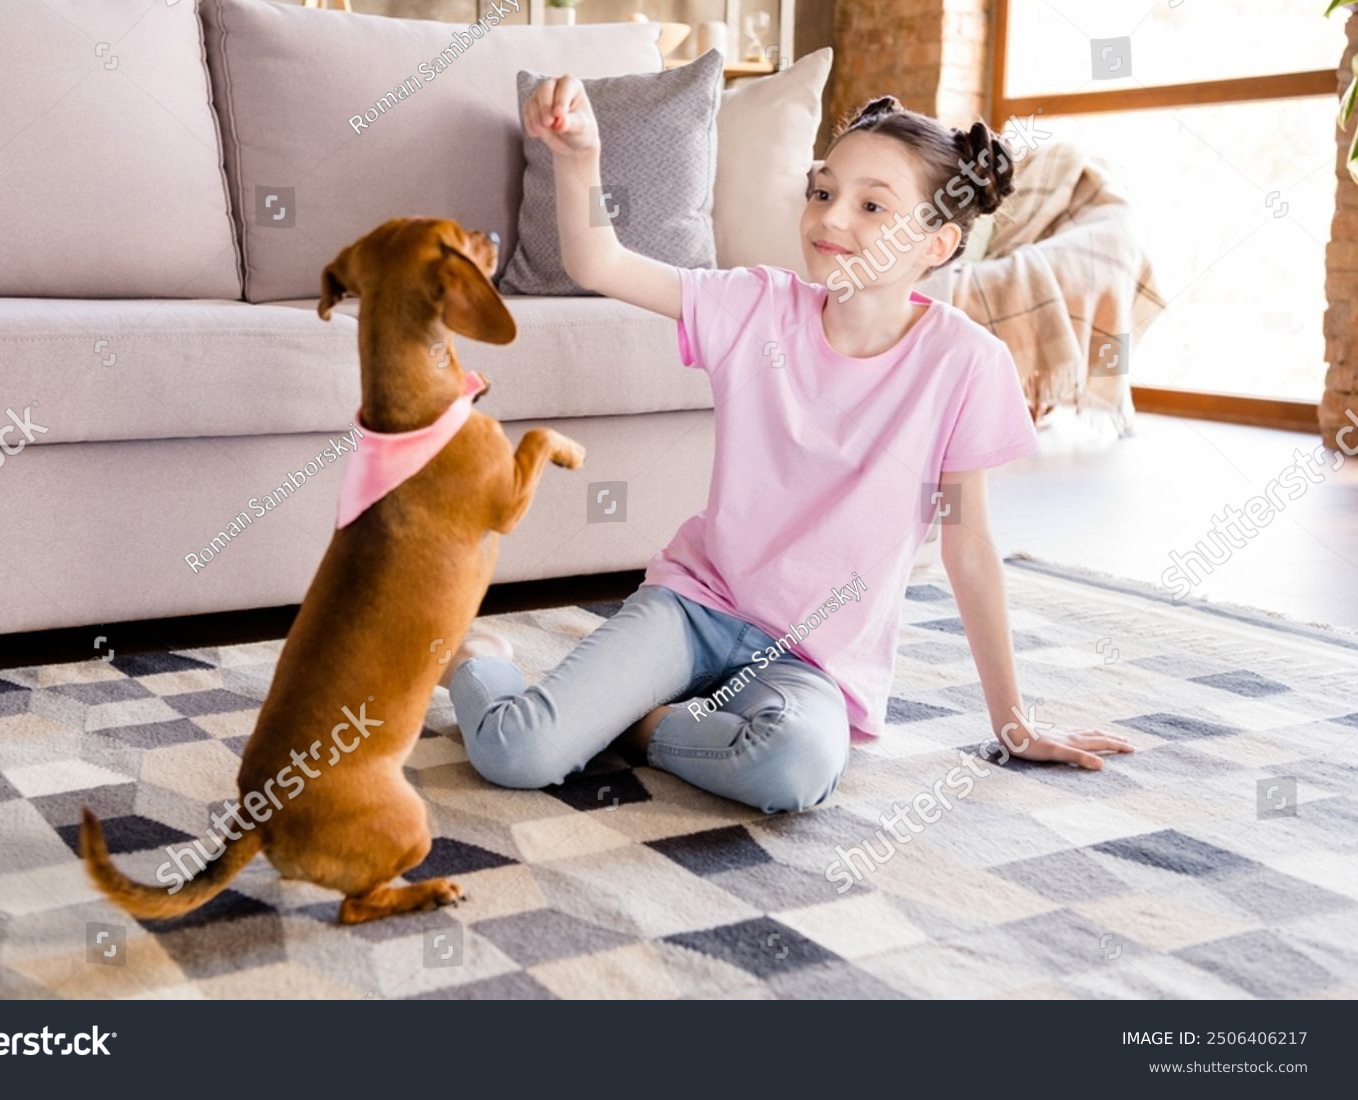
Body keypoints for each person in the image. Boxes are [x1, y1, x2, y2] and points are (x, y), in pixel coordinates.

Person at [442, 79, 1133, 814]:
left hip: (813, 656)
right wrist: (579, 157)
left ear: (937, 243)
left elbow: (968, 547)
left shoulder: (966, 363)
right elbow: (598, 263)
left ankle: (644, 729)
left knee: (793, 769)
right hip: (695, 608)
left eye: (872, 206)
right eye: (822, 191)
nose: (831, 216)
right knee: (517, 752)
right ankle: (479, 658)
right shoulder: (755, 307)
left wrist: (1012, 722)